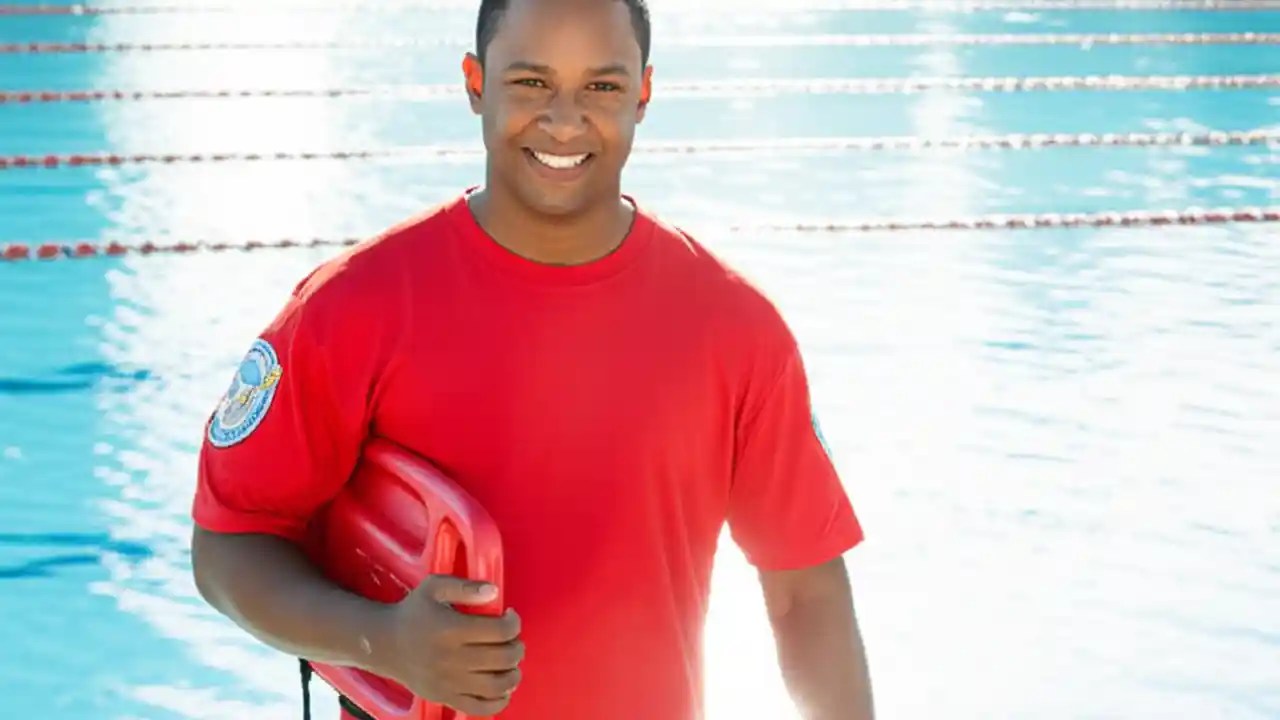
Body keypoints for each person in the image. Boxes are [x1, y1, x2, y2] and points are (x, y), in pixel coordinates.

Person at [188, 0, 875, 718]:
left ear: (643, 93)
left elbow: (804, 593)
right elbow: (230, 547)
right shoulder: (354, 308)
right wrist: (382, 641)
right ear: (475, 83)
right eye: (531, 82)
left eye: (602, 87)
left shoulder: (738, 329)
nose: (565, 120)